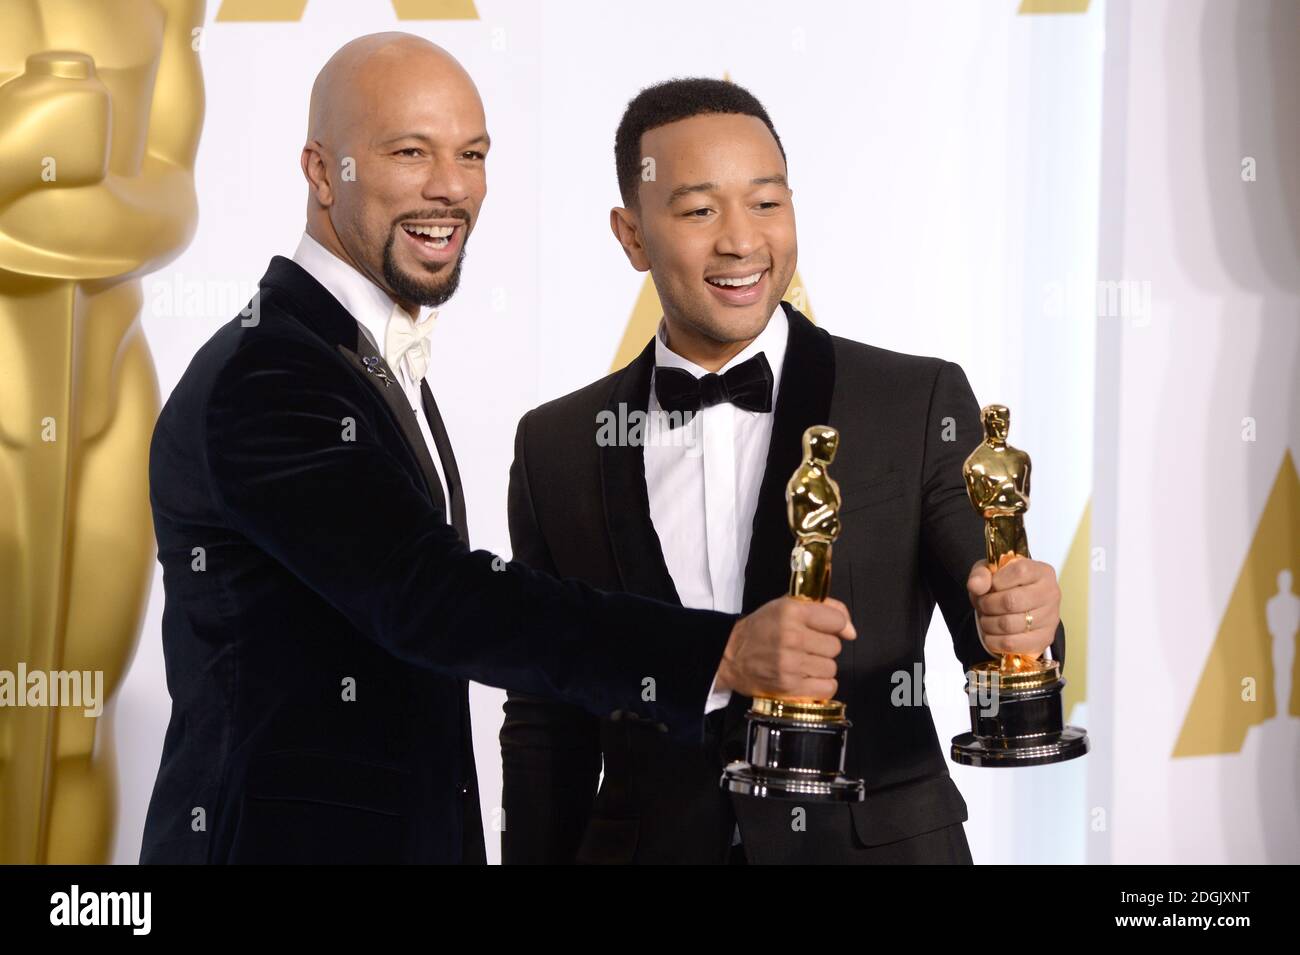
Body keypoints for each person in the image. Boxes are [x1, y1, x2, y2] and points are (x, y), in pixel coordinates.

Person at [140, 37, 852, 865]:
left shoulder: (357, 352)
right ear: (320, 170)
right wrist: (717, 650)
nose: (451, 185)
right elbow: (431, 597)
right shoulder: (268, 371)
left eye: (471, 154)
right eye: (410, 152)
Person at [500, 78, 1065, 865]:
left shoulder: (915, 398)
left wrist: (1026, 625)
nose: (741, 241)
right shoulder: (555, 445)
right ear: (631, 236)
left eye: (766, 203)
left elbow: (993, 629)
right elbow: (545, 718)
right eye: (699, 211)